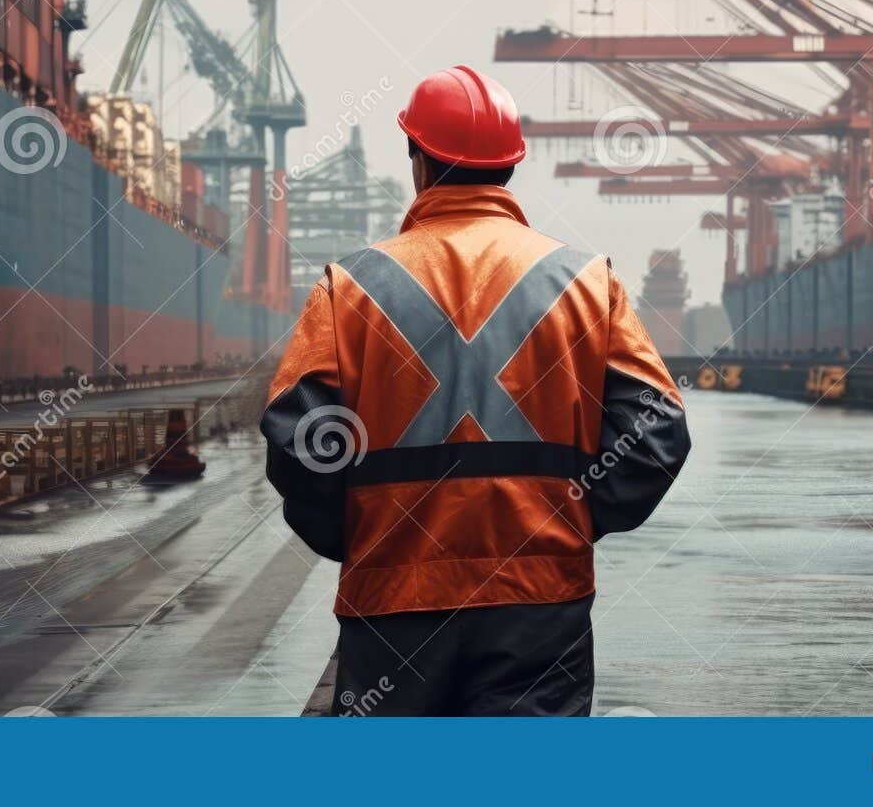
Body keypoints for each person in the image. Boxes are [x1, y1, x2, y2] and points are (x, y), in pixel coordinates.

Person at [260, 65, 689, 716]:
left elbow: (297, 439)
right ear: (510, 166)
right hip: (540, 601)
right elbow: (657, 430)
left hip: (394, 604)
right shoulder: (586, 283)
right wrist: (573, 520)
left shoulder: (348, 288)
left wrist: (359, 536)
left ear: (419, 161)